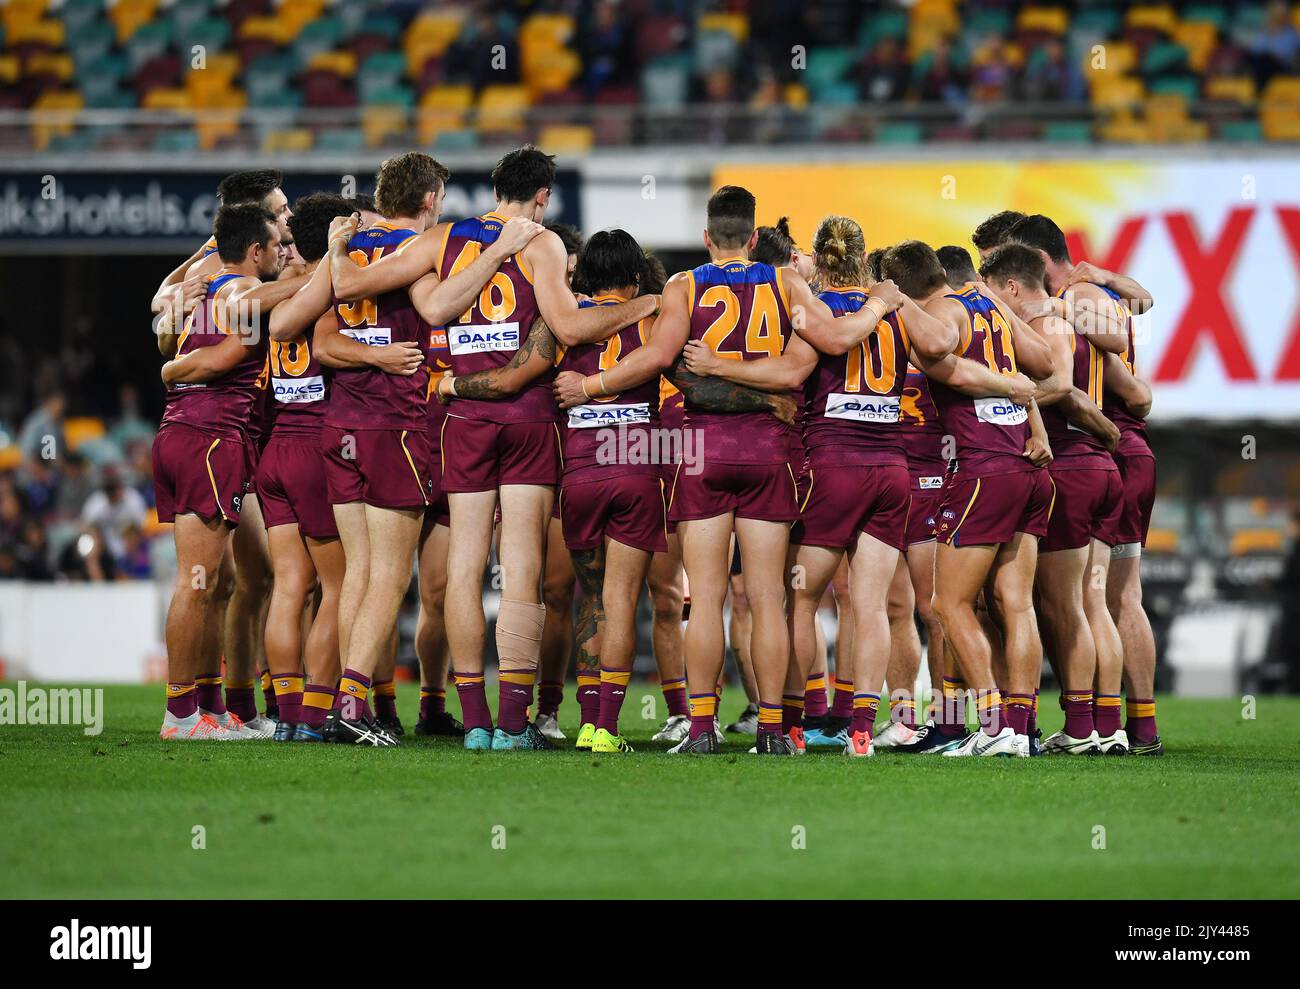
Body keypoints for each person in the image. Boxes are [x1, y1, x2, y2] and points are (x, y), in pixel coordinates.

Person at [881, 239, 1060, 757]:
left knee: (949, 603)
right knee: (1015, 602)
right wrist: (1029, 410)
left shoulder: (940, 311)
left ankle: (993, 723)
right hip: (1028, 471)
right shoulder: (990, 308)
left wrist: (898, 303)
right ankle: (1021, 728)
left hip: (985, 471)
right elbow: (1043, 364)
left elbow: (939, 352)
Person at [154, 203, 284, 740]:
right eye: (277, 244)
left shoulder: (205, 287)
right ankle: (180, 714)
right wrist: (172, 369)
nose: (282, 252)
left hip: (190, 436)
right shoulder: (236, 293)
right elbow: (215, 360)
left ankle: (208, 705)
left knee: (222, 579)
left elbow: (169, 327)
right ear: (256, 250)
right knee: (197, 581)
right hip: (209, 439)